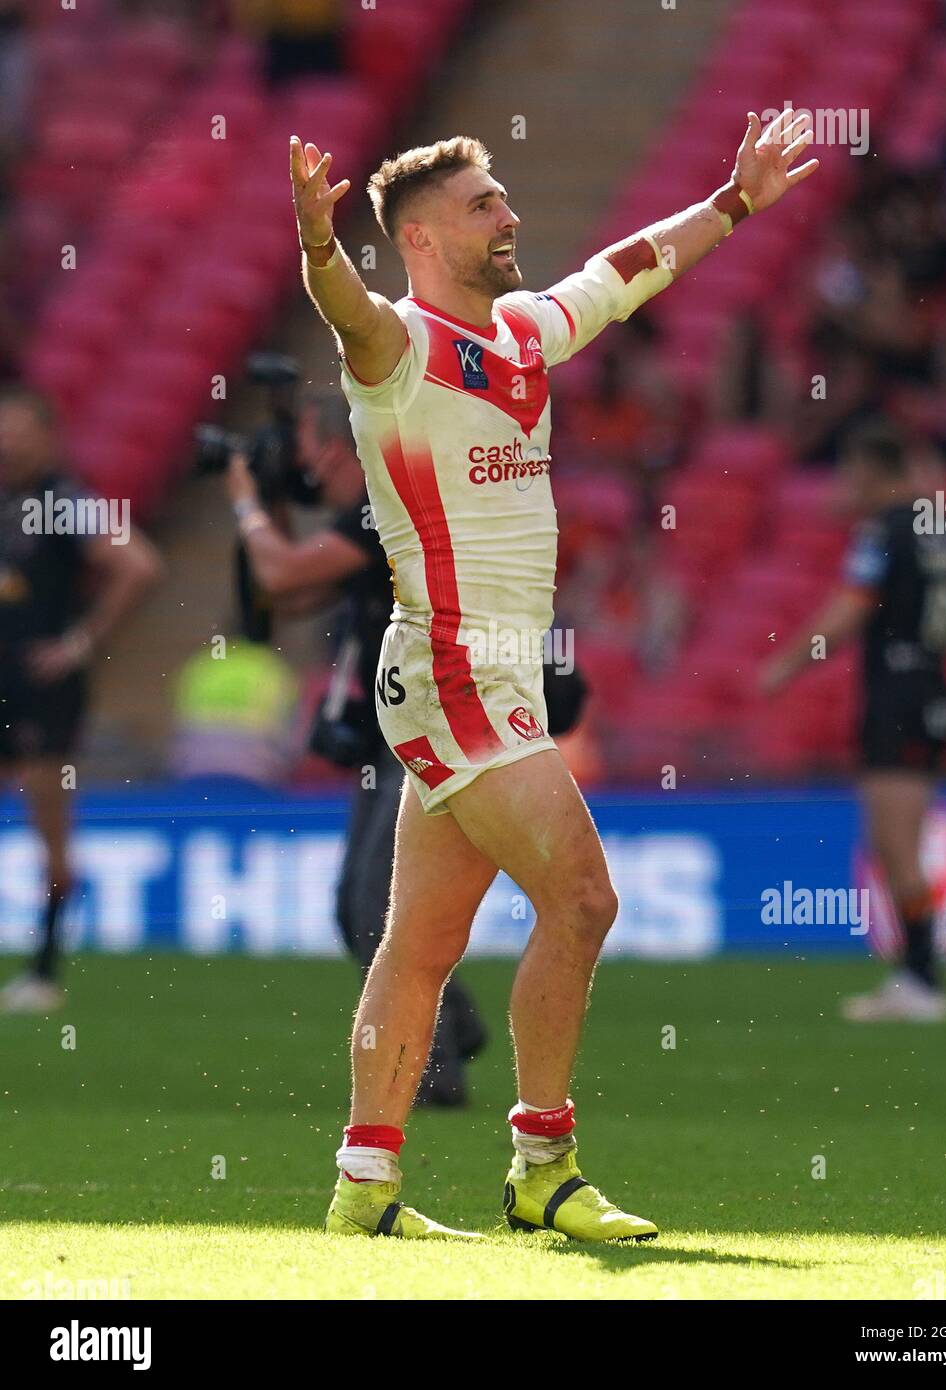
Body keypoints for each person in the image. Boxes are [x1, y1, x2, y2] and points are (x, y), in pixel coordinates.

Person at [290, 110, 819, 1241]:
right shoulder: (396, 345)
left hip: (492, 676)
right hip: (449, 666)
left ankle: (364, 1188)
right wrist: (316, 246)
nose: (509, 215)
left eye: (505, 198)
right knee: (582, 897)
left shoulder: (524, 332)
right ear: (422, 238)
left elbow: (624, 272)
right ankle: (542, 1163)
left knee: (420, 946)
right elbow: (342, 309)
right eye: (485, 203)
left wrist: (729, 203)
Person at [225, 389, 488, 1103]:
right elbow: (275, 604)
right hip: (391, 732)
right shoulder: (377, 507)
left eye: (303, 446)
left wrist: (248, 502)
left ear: (334, 448)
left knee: (377, 904)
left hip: (431, 728)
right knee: (354, 906)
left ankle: (436, 1074)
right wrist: (271, 506)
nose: (299, 461)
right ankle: (456, 1023)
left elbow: (281, 575)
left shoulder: (386, 505)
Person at [760, 423, 946, 1023]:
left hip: (897, 698)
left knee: (894, 845)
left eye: (852, 472)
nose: (845, 486)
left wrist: (786, 665)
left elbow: (852, 606)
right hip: (932, 688)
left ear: (874, 472)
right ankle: (918, 975)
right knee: (896, 843)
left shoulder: (884, 530)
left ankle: (923, 980)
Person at [0, 385, 161, 1012]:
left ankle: (44, 970)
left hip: (41, 690)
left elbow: (138, 565)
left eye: (18, 432)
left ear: (48, 437)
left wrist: (77, 644)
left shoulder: (64, 500)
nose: (8, 444)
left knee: (48, 827)